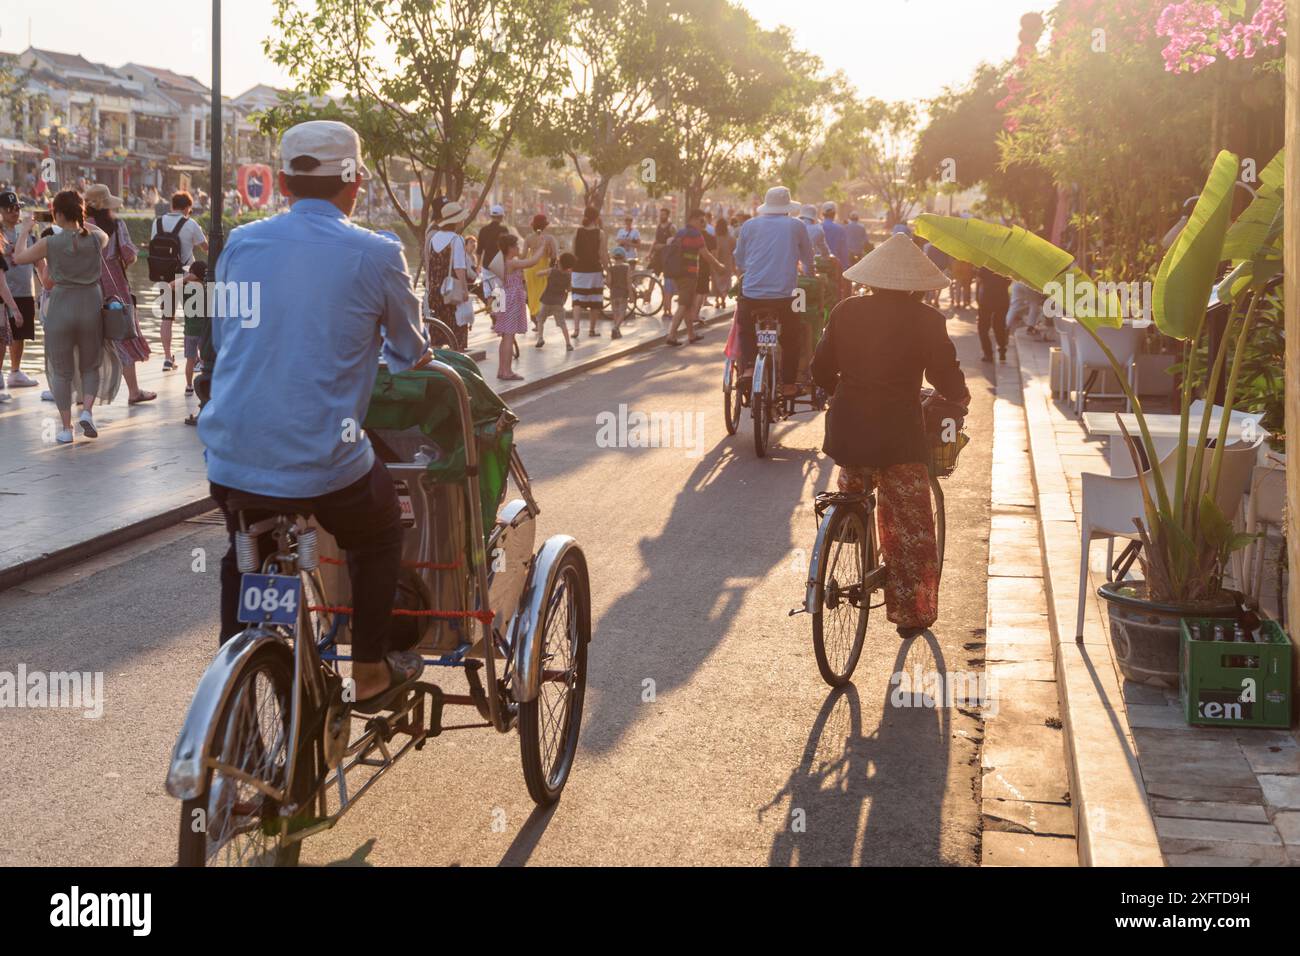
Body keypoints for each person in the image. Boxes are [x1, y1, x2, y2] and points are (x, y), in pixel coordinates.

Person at [198, 120, 433, 712]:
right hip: (326, 463)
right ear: (354, 185)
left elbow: (227, 345)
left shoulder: (242, 246)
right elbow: (409, 354)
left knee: (241, 550)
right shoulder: (377, 253)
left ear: (281, 183)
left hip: (231, 458)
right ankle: (373, 667)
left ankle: (238, 704)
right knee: (380, 531)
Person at [811, 234, 970, 639]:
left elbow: (821, 370)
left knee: (855, 489)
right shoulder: (927, 320)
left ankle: (849, 525)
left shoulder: (846, 311)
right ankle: (910, 613)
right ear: (917, 284)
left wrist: (840, 393)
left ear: (872, 279)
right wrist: (958, 398)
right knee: (911, 527)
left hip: (847, 432)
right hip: (899, 437)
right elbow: (946, 377)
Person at [12, 190, 110, 442]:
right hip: (90, 303)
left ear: (56, 213)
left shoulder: (49, 243)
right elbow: (103, 234)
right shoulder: (95, 239)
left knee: (62, 371)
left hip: (61, 305)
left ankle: (67, 429)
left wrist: (25, 229)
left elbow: (18, 257)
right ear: (80, 212)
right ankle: (87, 411)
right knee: (90, 365)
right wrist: (81, 221)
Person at [732, 186, 815, 397]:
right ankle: (788, 384)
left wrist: (750, 269)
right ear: (787, 207)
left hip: (752, 294)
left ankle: (749, 368)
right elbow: (807, 257)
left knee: (746, 330)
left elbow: (739, 258)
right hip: (785, 297)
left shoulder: (749, 225)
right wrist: (809, 274)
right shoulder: (796, 225)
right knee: (791, 337)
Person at [85, 184, 156, 404]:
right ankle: (133, 391)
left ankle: (82, 395)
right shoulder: (116, 225)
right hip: (115, 285)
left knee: (87, 339)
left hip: (86, 286)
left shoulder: (82, 227)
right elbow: (128, 255)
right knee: (123, 335)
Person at [153, 190, 208, 371]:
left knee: (167, 317)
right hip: (187, 276)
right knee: (193, 318)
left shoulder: (157, 222)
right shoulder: (190, 224)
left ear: (172, 205)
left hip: (164, 275)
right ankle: (197, 360)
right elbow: (206, 247)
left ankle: (168, 358)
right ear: (187, 208)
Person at [489, 233, 547, 380]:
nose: (518, 248)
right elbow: (532, 262)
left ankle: (502, 370)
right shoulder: (511, 262)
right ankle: (507, 372)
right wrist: (542, 247)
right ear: (510, 248)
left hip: (503, 298)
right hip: (511, 300)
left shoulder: (503, 261)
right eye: (516, 246)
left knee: (505, 336)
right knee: (509, 336)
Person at [664, 208, 722, 347]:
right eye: (701, 220)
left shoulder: (680, 233)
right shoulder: (695, 234)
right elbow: (706, 254)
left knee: (688, 306)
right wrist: (719, 266)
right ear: (694, 219)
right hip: (688, 275)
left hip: (678, 273)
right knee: (684, 304)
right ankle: (671, 335)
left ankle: (691, 335)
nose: (703, 223)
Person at [0, 190, 40, 389]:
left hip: (25, 287)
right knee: (1, 334)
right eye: (9, 209)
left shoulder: (27, 231)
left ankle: (15, 372)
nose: (14, 212)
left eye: (17, 208)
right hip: (5, 290)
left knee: (21, 333)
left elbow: (37, 257)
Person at [424, 200, 471, 350]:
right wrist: (464, 290)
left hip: (435, 292)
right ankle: (455, 370)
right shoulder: (456, 240)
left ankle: (438, 369)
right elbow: (459, 268)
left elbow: (430, 264)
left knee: (436, 338)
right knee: (455, 339)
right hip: (450, 294)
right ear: (457, 221)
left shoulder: (433, 238)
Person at [167, 259, 210, 415]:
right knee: (205, 359)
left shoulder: (185, 289)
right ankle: (207, 382)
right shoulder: (206, 289)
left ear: (192, 273)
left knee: (190, 360)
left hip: (189, 332)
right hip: (203, 331)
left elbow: (169, 286)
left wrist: (185, 278)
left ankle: (189, 386)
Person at [570, 206, 606, 337]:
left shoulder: (577, 232)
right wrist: (608, 270)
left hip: (578, 270)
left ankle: (576, 330)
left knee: (577, 300)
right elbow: (603, 254)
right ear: (597, 218)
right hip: (594, 271)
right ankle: (591, 330)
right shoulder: (600, 233)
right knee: (595, 301)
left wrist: (571, 269)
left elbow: (573, 252)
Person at [535, 251, 575, 351]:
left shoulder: (552, 271)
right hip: (558, 302)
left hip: (546, 301)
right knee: (562, 323)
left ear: (559, 263)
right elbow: (570, 289)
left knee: (540, 319)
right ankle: (568, 344)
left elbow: (538, 274)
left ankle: (540, 338)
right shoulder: (568, 275)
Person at [522, 213, 557, 322]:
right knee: (542, 295)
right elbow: (554, 256)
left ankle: (535, 317)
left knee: (532, 294)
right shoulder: (550, 238)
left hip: (530, 268)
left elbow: (523, 256)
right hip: (543, 268)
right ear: (545, 225)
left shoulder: (528, 238)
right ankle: (540, 319)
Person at [976, 265, 1012, 362]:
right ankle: (1002, 350)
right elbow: (1009, 282)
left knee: (983, 328)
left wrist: (977, 298)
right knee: (999, 326)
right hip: (1002, 299)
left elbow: (978, 282)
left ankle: (988, 354)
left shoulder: (985, 265)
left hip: (986, 299)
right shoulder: (1005, 266)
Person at [648, 207, 674, 315]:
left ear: (667, 215)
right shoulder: (658, 226)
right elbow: (655, 241)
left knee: (667, 281)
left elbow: (674, 242)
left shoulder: (671, 227)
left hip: (667, 256)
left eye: (663, 214)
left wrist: (662, 246)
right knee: (653, 275)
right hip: (658, 256)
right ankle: (648, 295)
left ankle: (667, 305)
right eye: (660, 214)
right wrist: (650, 252)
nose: (661, 216)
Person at [476, 203, 509, 272]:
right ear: (502, 217)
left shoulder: (483, 230)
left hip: (486, 264)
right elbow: (507, 249)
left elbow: (479, 250)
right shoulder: (504, 230)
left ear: (491, 216)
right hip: (500, 264)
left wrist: (477, 265)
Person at [712, 215, 735, 310]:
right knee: (726, 282)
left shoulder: (714, 238)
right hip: (727, 262)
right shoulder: (731, 238)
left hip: (716, 262)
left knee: (716, 281)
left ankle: (717, 300)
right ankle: (723, 299)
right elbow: (734, 251)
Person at [607, 246, 630, 340]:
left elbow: (608, 282)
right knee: (622, 313)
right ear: (623, 256)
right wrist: (631, 295)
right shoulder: (626, 268)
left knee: (615, 313)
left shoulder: (610, 268)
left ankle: (617, 332)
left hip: (613, 293)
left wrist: (611, 287)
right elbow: (628, 282)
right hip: (623, 293)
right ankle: (615, 328)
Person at [820, 201, 849, 273]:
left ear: (823, 214)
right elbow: (843, 251)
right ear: (834, 214)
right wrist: (845, 267)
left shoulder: (818, 227)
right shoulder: (840, 229)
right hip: (835, 265)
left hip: (819, 264)